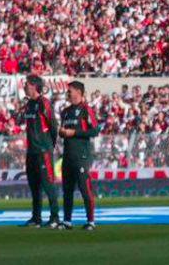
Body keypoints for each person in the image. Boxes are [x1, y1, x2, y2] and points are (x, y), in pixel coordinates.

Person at [19, 74, 61, 228]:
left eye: (27, 85)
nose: (24, 87)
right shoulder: (29, 104)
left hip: (43, 151)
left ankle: (55, 217)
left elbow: (53, 125)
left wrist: (49, 145)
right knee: (34, 185)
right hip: (31, 151)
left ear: (34, 86)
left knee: (48, 184)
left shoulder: (44, 102)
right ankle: (36, 218)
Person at [58, 80, 100, 230]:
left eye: (70, 90)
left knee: (84, 188)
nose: (68, 93)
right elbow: (63, 131)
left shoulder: (86, 110)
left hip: (81, 155)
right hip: (67, 155)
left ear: (78, 92)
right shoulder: (66, 111)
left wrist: (74, 132)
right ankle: (67, 221)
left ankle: (91, 221)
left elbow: (95, 130)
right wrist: (62, 132)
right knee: (67, 190)